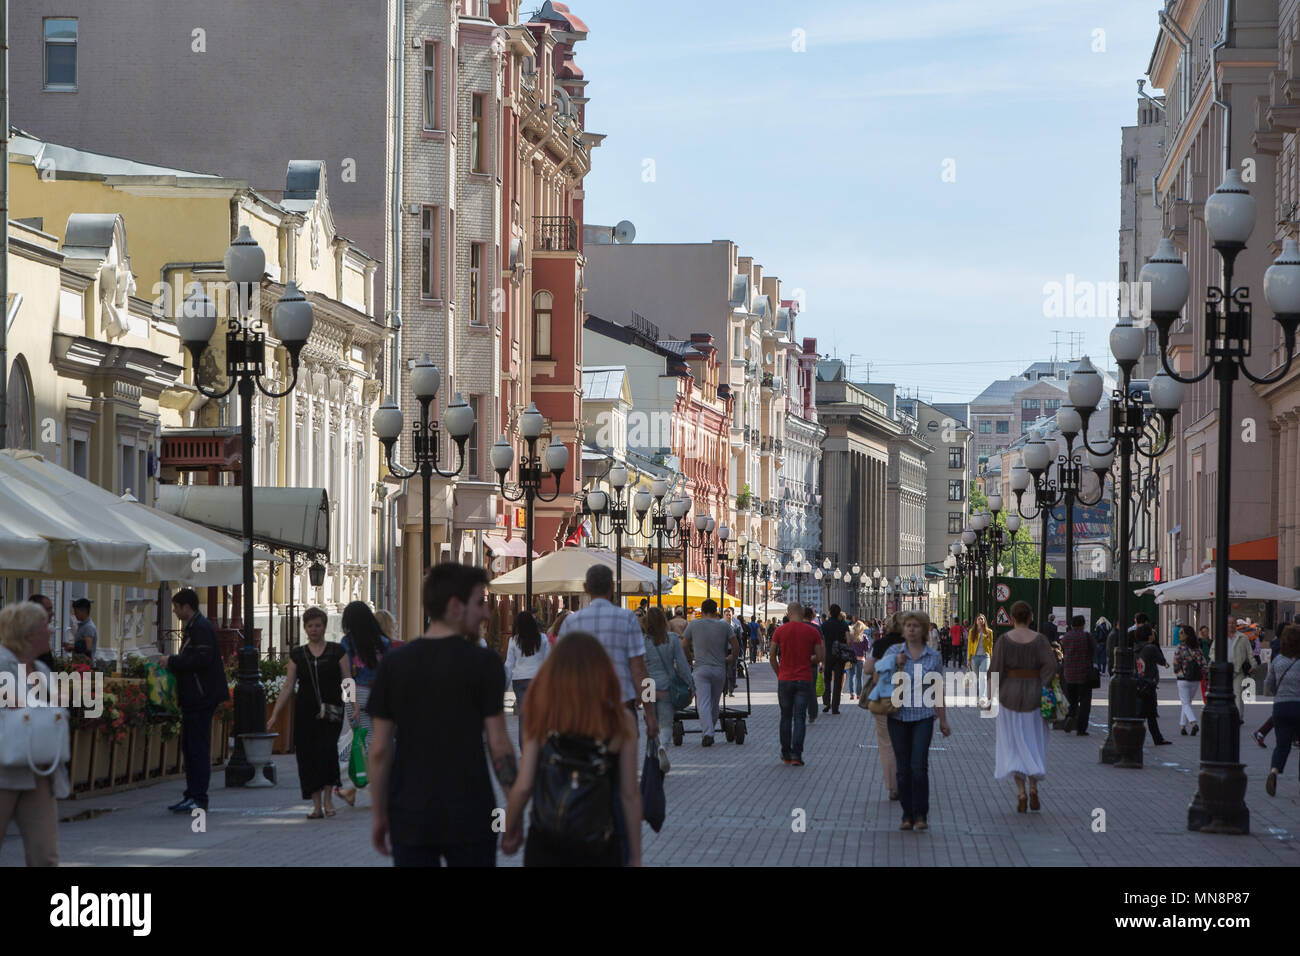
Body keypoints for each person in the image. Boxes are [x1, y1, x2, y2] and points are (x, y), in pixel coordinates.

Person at [368, 563, 514, 866]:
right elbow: (499, 745)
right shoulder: (484, 664)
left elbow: (380, 749)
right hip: (470, 810)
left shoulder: (394, 664)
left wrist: (379, 813)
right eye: (480, 603)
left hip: (410, 811)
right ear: (454, 606)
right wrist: (514, 806)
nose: (487, 614)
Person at [502, 631, 642, 866]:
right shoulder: (620, 721)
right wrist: (636, 857)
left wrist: (510, 827)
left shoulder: (541, 716)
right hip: (598, 842)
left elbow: (524, 785)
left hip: (547, 841)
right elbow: (630, 795)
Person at [0, 602, 68, 866]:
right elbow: (16, 705)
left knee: (45, 855)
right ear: (29, 634)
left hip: (39, 770)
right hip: (4, 769)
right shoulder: (2, 664)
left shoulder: (40, 669)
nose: (50, 631)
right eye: (45, 626)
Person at [558, 565, 658, 741]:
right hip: (621, 710)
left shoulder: (570, 622)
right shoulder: (628, 619)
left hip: (582, 713)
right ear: (612, 587)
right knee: (623, 766)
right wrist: (650, 712)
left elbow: (560, 672)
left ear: (585, 588)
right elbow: (640, 669)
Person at [268, 607, 347, 818]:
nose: (314, 629)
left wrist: (354, 705)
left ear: (324, 627)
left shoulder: (337, 651)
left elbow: (347, 680)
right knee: (308, 756)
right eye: (310, 626)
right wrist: (275, 714)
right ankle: (316, 805)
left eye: (318, 625)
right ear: (305, 628)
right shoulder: (297, 654)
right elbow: (288, 686)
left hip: (331, 711)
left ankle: (329, 800)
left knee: (328, 751)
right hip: (305, 712)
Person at [160, 588, 229, 813]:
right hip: (195, 697)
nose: (174, 611)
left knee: (197, 747)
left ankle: (198, 797)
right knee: (190, 747)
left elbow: (201, 659)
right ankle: (192, 794)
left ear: (186, 607)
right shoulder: (196, 627)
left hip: (201, 696)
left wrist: (172, 660)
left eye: (176, 607)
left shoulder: (200, 628)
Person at [985, 601, 1056, 813]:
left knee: (1013, 745)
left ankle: (1021, 792)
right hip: (1035, 697)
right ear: (1031, 617)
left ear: (1012, 618)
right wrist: (1042, 684)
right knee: (1035, 742)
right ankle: (1034, 786)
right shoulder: (1041, 640)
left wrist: (989, 699)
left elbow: (995, 671)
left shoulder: (1004, 641)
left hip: (1009, 697)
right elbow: (1051, 665)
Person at [887, 611, 950, 830]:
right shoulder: (894, 652)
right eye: (908, 626)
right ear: (903, 629)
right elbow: (875, 674)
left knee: (918, 767)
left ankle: (921, 814)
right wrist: (893, 663)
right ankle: (907, 814)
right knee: (903, 769)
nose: (912, 629)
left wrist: (943, 720)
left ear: (923, 629)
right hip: (897, 716)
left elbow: (938, 689)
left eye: (915, 626)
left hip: (923, 716)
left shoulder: (933, 656)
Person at [335, 602, 393, 807]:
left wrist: (352, 703)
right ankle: (352, 788)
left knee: (357, 741)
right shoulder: (383, 642)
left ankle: (368, 788)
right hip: (378, 694)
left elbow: (346, 675)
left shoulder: (347, 643)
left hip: (356, 694)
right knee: (369, 740)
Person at [770, 603, 824, 766]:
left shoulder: (780, 630)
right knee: (799, 717)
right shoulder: (812, 631)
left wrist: (779, 673)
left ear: (788, 613)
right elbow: (820, 656)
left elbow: (772, 655)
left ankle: (785, 753)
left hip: (785, 679)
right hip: (804, 679)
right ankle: (796, 755)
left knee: (785, 716)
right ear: (802, 613)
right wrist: (809, 659)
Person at [683, 599, 739, 747]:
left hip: (701, 668)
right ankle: (709, 731)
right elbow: (735, 645)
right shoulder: (724, 626)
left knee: (703, 702)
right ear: (716, 612)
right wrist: (732, 657)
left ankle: (708, 733)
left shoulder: (694, 624)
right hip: (719, 668)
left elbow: (683, 643)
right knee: (714, 702)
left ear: (701, 610)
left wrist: (689, 659)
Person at [642, 606, 692, 772]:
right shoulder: (672, 639)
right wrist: (691, 684)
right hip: (666, 685)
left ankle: (654, 753)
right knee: (665, 723)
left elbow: (637, 666)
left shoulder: (642, 641)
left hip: (647, 686)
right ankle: (663, 746)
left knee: (650, 723)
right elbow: (683, 665)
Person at [1263, 625, 1300, 797]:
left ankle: (1274, 771)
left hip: (1280, 708)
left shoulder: (1278, 661)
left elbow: (1268, 685)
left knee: (1282, 745)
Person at [504, 610, 549, 739]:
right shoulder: (543, 639)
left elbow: (508, 664)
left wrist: (504, 685)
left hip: (520, 680)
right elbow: (548, 662)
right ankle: (539, 748)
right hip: (539, 680)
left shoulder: (513, 640)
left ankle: (524, 749)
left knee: (523, 717)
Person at [1059, 614, 1096, 736]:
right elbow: (1093, 650)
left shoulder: (1066, 637)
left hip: (1069, 674)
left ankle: (1070, 716)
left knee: (1072, 701)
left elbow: (1064, 651)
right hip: (1084, 675)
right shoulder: (1086, 636)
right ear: (1083, 624)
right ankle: (1081, 729)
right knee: (1085, 703)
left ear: (1071, 625)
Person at [1134, 624, 1171, 745]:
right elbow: (1161, 660)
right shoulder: (1151, 648)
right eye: (1152, 632)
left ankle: (1157, 738)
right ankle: (1137, 738)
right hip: (1149, 683)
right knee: (1148, 713)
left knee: (1147, 713)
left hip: (1138, 682)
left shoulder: (1136, 648)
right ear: (1149, 635)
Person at [1173, 624, 1206, 736]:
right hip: (1195, 679)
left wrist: (1178, 673)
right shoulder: (1197, 648)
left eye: (1182, 632)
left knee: (1185, 703)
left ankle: (1193, 723)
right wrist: (1206, 676)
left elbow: (1176, 663)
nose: (1179, 634)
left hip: (1183, 679)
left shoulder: (1179, 647)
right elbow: (1203, 664)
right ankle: (1182, 726)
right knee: (1187, 702)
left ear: (1187, 635)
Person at [821, 604, 850, 715]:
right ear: (839, 613)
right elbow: (848, 640)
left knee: (827, 680)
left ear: (830, 613)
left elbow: (822, 642)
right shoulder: (843, 624)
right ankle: (835, 707)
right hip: (839, 656)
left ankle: (826, 703)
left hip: (828, 655)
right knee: (838, 682)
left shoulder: (825, 625)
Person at [1230, 620, 1255, 724]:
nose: (1230, 625)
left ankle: (1239, 717)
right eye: (1228, 623)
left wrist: (1253, 664)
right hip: (1224, 671)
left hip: (1238, 670)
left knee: (1238, 694)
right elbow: (1212, 653)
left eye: (1232, 623)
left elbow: (1249, 652)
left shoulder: (1242, 637)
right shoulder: (1220, 637)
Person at [968, 613, 994, 701]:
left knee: (983, 676)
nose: (981, 620)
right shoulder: (972, 631)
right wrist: (968, 659)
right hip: (974, 657)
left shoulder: (989, 631)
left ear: (984, 621)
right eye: (979, 619)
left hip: (985, 657)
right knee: (976, 678)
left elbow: (990, 646)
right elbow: (969, 646)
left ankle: (982, 697)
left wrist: (991, 657)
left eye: (982, 619)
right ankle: (976, 696)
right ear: (976, 621)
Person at [847, 617, 867, 701]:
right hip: (861, 658)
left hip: (852, 658)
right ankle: (859, 694)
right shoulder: (864, 637)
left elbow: (848, 646)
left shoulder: (851, 637)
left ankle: (851, 693)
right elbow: (867, 648)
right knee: (859, 677)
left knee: (851, 676)